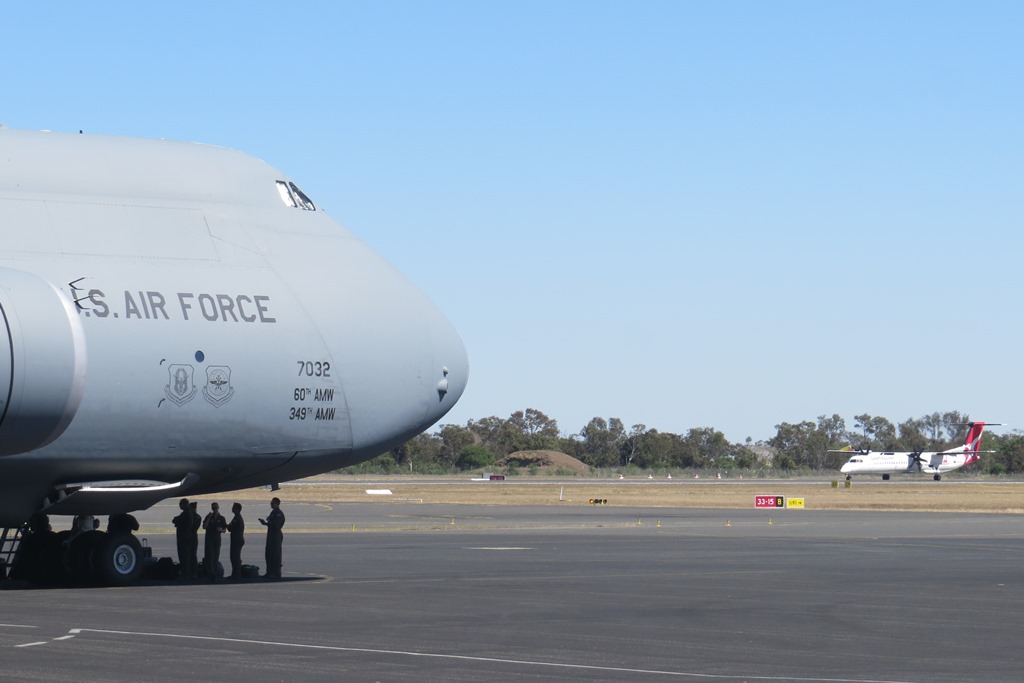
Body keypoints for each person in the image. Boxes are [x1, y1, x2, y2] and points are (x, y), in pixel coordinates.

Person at [259, 497, 285, 579]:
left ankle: (276, 573)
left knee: (275, 555)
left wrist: (268, 523)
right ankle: (269, 572)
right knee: (269, 554)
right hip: (271, 535)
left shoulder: (279, 513)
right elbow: (271, 522)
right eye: (271, 503)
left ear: (277, 504)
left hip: (276, 536)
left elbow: (276, 525)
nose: (271, 504)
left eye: (273, 503)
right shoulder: (273, 512)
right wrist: (265, 523)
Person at [202, 502, 227, 581]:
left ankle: (215, 574)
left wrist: (221, 530)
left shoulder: (222, 518)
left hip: (217, 540)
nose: (215, 509)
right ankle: (210, 574)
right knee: (209, 557)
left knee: (215, 557)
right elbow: (204, 526)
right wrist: (209, 517)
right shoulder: (209, 516)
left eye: (216, 508)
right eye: (213, 508)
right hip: (209, 540)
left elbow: (224, 530)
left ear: (218, 508)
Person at [172, 498, 193, 579]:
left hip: (184, 538)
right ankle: (186, 573)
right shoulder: (186, 513)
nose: (179, 505)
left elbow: (175, 520)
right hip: (184, 538)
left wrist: (176, 520)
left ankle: (186, 574)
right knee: (184, 556)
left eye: (181, 504)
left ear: (185, 504)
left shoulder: (186, 513)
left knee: (184, 556)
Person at [226, 502, 245, 579]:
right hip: (237, 539)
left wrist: (226, 525)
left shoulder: (237, 518)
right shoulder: (236, 517)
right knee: (235, 557)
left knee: (235, 557)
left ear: (237, 509)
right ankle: (236, 573)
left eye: (234, 507)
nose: (232, 509)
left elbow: (230, 528)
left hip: (237, 540)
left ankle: (236, 574)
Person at [188, 501, 201, 578]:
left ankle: (193, 572)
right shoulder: (196, 516)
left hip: (192, 537)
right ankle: (191, 572)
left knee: (192, 555)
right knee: (190, 555)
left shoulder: (196, 517)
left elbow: (193, 528)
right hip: (191, 537)